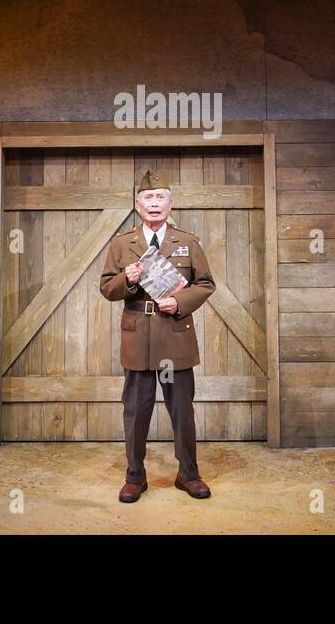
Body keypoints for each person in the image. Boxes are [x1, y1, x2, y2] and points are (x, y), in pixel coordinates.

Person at [99, 169, 215, 503]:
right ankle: (135, 477)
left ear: (170, 203)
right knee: (135, 412)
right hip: (138, 341)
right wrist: (128, 278)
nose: (154, 203)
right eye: (148, 198)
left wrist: (178, 301)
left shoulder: (188, 241)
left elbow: (206, 283)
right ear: (137, 204)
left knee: (182, 411)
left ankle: (188, 475)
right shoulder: (123, 245)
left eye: (160, 197)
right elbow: (107, 288)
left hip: (175, 336)